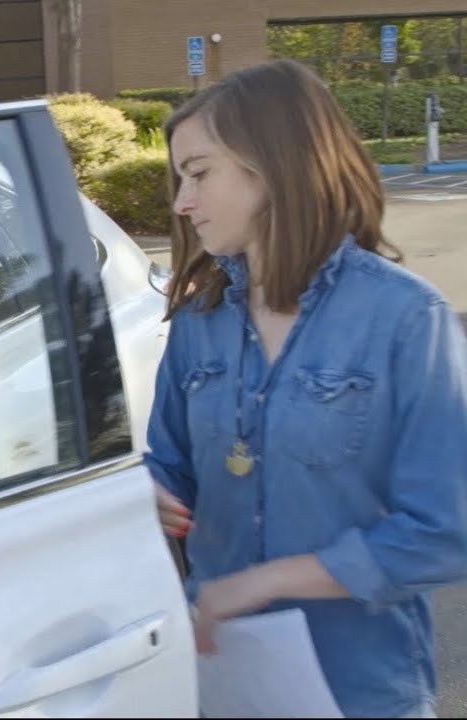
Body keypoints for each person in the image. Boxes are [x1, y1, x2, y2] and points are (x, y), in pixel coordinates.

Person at [145, 58, 467, 719]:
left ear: (269, 169)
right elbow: (170, 464)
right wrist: (145, 491)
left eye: (199, 173)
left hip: (361, 693)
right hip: (225, 683)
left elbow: (446, 531)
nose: (181, 202)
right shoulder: (197, 324)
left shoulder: (405, 319)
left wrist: (267, 582)